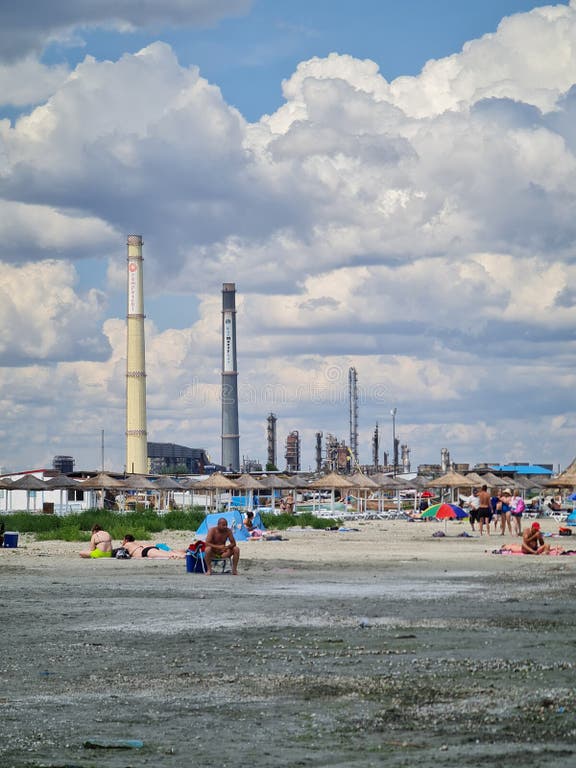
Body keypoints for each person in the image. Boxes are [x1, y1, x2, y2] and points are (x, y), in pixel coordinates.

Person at [121, 534, 186, 559]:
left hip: (146, 552)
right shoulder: (137, 543)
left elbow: (120, 552)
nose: (122, 542)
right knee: (170, 553)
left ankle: (184, 556)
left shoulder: (127, 544)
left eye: (123, 540)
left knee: (170, 555)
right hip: (151, 548)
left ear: (126, 540)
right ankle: (186, 555)